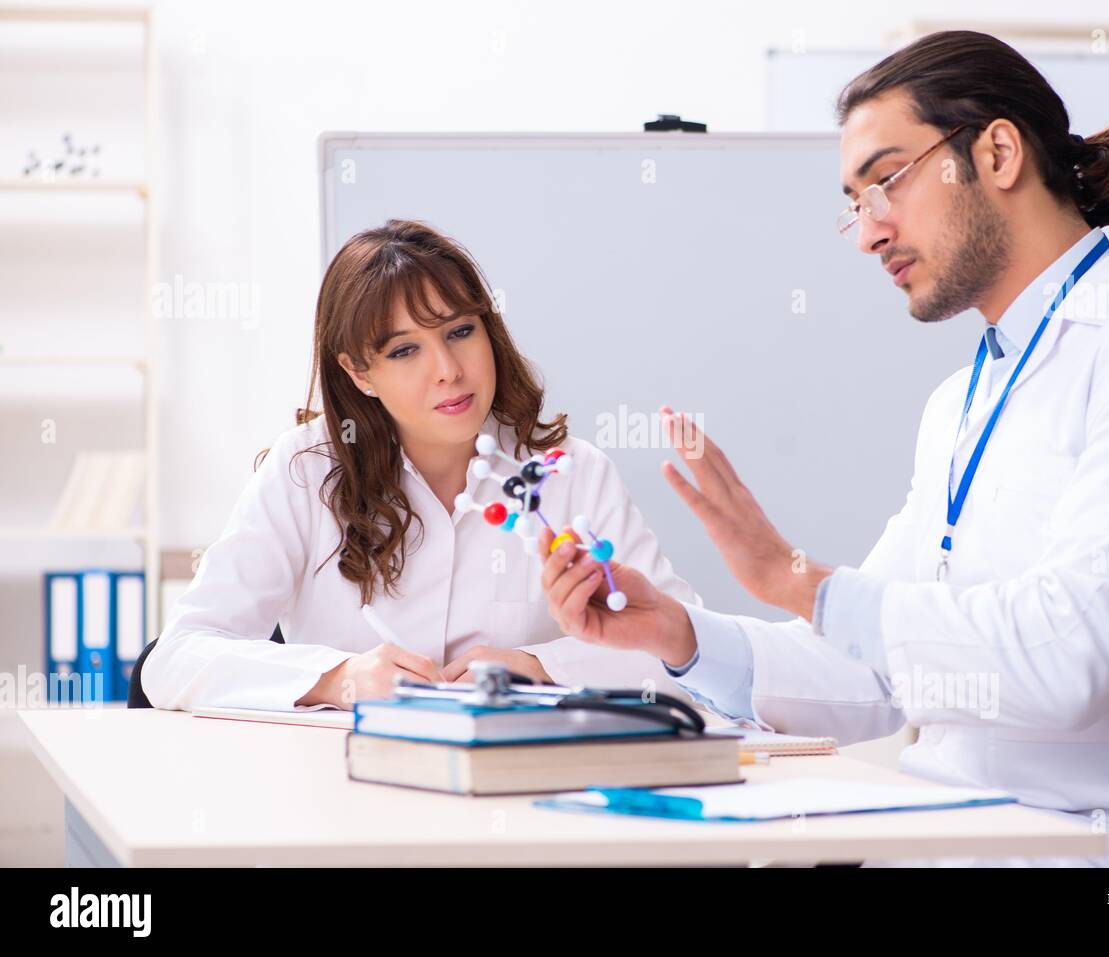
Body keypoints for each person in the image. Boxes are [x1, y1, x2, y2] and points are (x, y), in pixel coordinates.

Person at [535, 31, 1109, 867]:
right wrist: (679, 635)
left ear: (998, 151)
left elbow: (1073, 659)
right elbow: (874, 672)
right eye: (854, 203)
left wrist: (800, 581)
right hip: (952, 836)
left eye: (886, 181)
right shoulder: (964, 400)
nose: (868, 233)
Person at [143, 219, 696, 712]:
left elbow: (686, 647)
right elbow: (177, 659)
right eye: (405, 351)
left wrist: (540, 667)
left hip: (523, 784)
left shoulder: (568, 471)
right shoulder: (305, 470)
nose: (448, 370)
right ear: (359, 373)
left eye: (460, 332)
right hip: (344, 795)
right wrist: (338, 678)